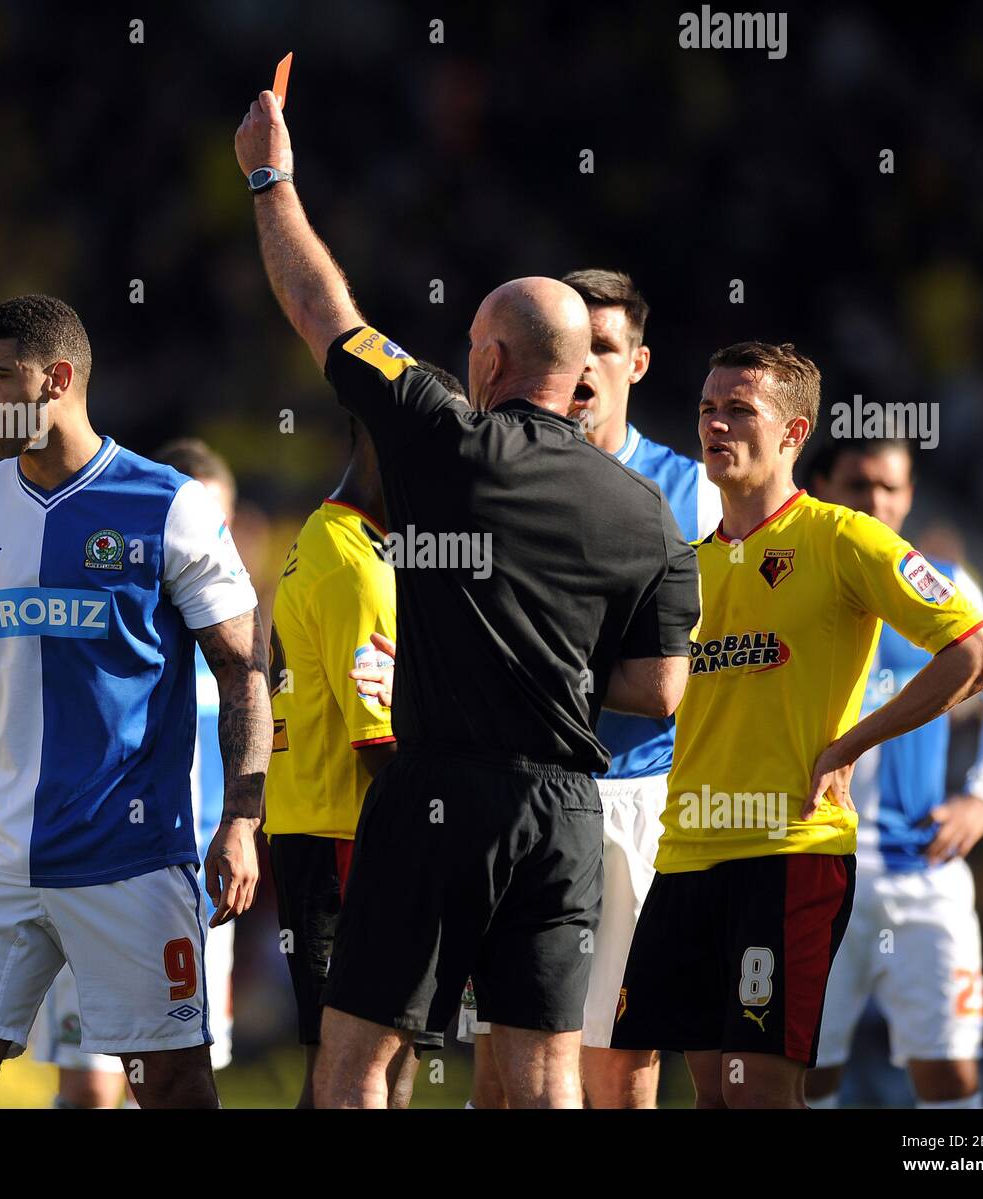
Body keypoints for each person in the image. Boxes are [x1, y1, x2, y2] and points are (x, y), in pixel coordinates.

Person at [235, 88, 700, 1108]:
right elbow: (661, 689)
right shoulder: (647, 512)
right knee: (545, 1076)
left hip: (437, 791)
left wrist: (271, 178)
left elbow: (325, 311)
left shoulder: (444, 437)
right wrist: (552, 670)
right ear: (581, 374)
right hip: (568, 810)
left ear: (486, 360)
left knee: (356, 1063)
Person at [0, 295, 272, 1109]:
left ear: (57, 378)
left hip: (126, 857)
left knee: (171, 1085)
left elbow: (242, 673)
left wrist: (240, 816)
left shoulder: (171, 506)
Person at [611, 340, 983, 1109]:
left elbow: (978, 656)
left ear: (794, 435)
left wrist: (850, 744)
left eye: (738, 410)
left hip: (788, 851)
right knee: (713, 1094)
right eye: (706, 409)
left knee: (763, 1090)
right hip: (687, 848)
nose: (714, 426)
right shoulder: (684, 562)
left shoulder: (842, 538)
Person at [456, 269, 722, 1109]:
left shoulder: (692, 494)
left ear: (637, 363)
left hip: (637, 793)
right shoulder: (496, 474)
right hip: (518, 790)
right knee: (501, 1061)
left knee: (618, 1066)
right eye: (574, 350)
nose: (585, 370)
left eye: (604, 350)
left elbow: (700, 666)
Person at [805, 436, 983, 1108]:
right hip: (819, 867)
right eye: (858, 484)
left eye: (891, 487)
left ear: (910, 496)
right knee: (805, 1080)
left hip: (922, 867)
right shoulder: (792, 581)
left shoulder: (942, 584)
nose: (877, 500)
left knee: (950, 1077)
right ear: (820, 485)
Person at [265, 364, 465, 1109]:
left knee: (369, 1065)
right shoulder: (361, 566)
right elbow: (380, 746)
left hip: (327, 827)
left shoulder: (330, 537)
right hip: (349, 834)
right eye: (446, 443)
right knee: (359, 1072)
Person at [30, 437, 244, 1107]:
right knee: (92, 1085)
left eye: (219, 524)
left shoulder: (238, 644)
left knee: (175, 1082)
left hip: (200, 889)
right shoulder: (106, 633)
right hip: (95, 867)